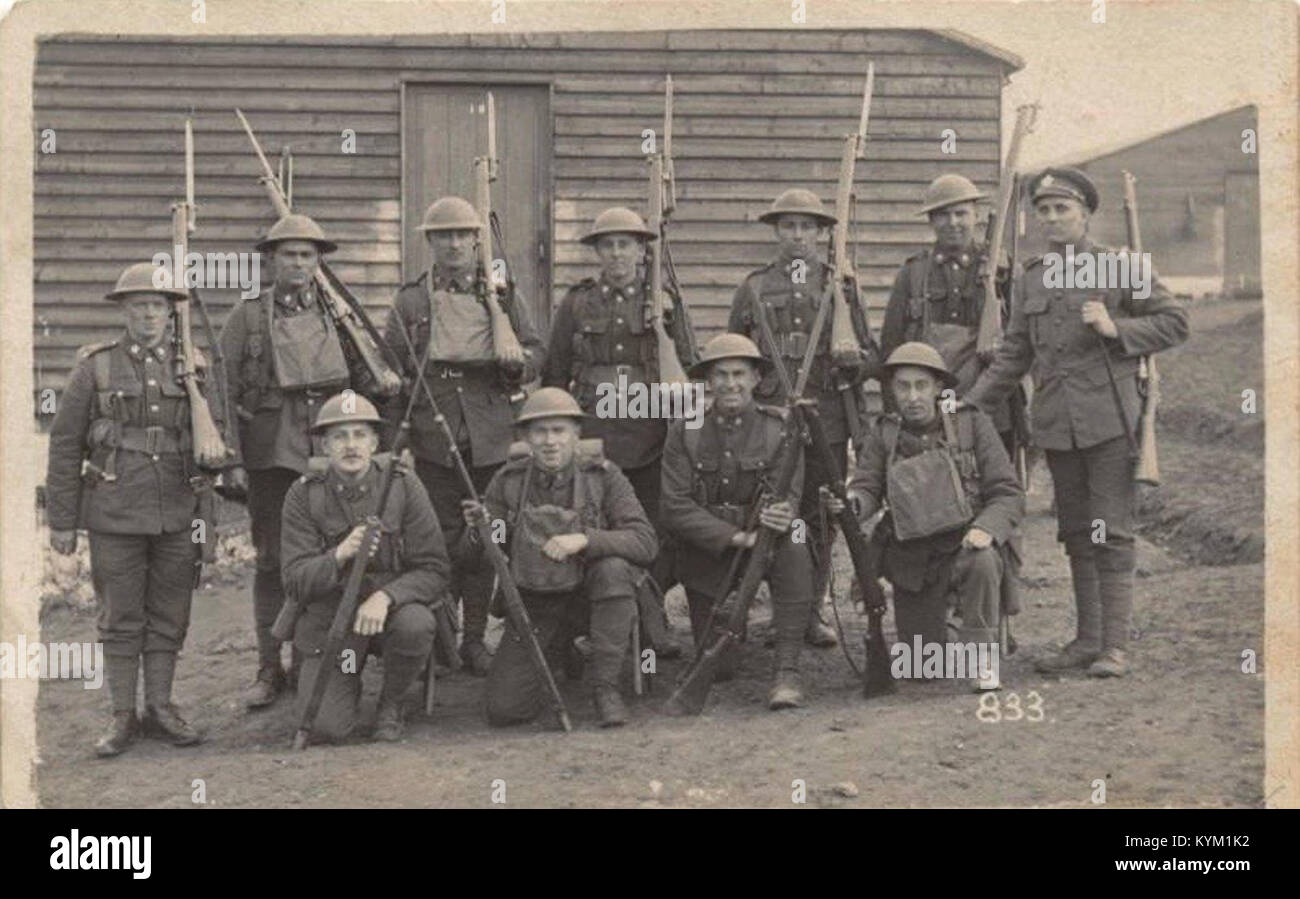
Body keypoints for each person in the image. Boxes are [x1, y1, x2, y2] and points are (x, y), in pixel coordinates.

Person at [966, 166, 1189, 677]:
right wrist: (973, 402)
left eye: (1061, 209)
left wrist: (1116, 328)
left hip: (1110, 422)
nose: (1051, 218)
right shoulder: (1034, 275)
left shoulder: (1119, 266)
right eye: (1043, 210)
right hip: (1056, 424)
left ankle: (1115, 647)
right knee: (1075, 532)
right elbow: (1015, 352)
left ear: (1085, 213)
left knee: (1109, 531)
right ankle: (1088, 640)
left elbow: (1176, 321)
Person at [46, 261, 224, 756]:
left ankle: (161, 708)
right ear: (123, 311)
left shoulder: (197, 367)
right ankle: (123, 714)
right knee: (120, 613)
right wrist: (62, 520)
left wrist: (210, 508)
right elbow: (64, 446)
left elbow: (217, 439)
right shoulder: (96, 366)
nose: (148, 314)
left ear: (171, 313)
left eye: (157, 305)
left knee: (171, 610)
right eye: (138, 305)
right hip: (114, 508)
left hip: (178, 508)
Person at [220, 213, 389, 709]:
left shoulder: (341, 316)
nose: (298, 263)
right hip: (273, 452)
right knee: (275, 562)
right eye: (288, 254)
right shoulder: (248, 317)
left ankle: (322, 657)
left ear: (319, 262)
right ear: (271, 260)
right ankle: (270, 669)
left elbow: (369, 379)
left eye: (307, 255)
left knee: (339, 555)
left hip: (336, 451)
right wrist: (230, 458)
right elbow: (224, 389)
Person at [384, 196, 545, 677]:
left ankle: (475, 639)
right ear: (429, 242)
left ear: (477, 241)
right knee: (436, 542)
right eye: (444, 235)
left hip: (490, 435)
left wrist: (517, 363)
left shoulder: (501, 294)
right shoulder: (411, 300)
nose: (454, 243)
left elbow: (538, 351)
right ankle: (440, 640)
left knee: (485, 541)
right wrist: (398, 445)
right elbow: (391, 374)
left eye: (463, 235)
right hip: (432, 439)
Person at [727, 188, 881, 648]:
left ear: (820, 234)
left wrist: (851, 357)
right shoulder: (753, 287)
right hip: (770, 417)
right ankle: (780, 612)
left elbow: (872, 356)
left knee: (819, 516)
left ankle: (810, 612)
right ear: (776, 231)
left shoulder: (842, 286)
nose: (797, 235)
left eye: (807, 226)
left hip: (826, 417)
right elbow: (734, 355)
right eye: (789, 226)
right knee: (772, 511)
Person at [541, 206, 697, 655]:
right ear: (597, 253)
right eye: (607, 245)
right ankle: (587, 619)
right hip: (594, 431)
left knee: (651, 526)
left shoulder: (664, 302)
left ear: (640, 249)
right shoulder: (576, 303)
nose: (616, 254)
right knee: (589, 521)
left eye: (625, 244)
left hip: (649, 433)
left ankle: (652, 619)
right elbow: (554, 374)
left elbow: (685, 367)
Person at [459, 388, 657, 728]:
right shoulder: (508, 482)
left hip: (590, 597)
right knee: (506, 710)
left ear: (576, 435)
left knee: (613, 569)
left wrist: (584, 539)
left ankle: (605, 688)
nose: (550, 441)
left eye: (559, 430)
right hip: (536, 600)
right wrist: (482, 529)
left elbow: (644, 542)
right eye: (540, 431)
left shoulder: (604, 476)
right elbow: (472, 557)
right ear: (526, 438)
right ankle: (562, 649)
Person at [836, 342, 1023, 691]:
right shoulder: (885, 434)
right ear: (892, 390)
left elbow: (1008, 493)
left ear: (939, 388)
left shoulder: (971, 423)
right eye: (903, 386)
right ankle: (949, 628)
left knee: (983, 561)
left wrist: (986, 529)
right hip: (913, 558)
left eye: (921, 385)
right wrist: (853, 504)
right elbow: (866, 487)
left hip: (965, 543)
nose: (912, 396)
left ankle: (981, 656)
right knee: (922, 669)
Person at [279, 392, 450, 743]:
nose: (351, 445)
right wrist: (338, 555)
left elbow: (434, 568)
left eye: (359, 435)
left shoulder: (404, 485)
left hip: (392, 615)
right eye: (339, 436)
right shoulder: (303, 495)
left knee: (415, 625)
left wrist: (388, 596)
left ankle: (392, 702)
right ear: (325, 446)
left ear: (374, 442)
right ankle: (347, 677)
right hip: (335, 621)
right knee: (327, 728)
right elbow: (294, 580)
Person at [660, 334, 813, 709]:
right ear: (708, 382)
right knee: (721, 667)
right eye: (721, 375)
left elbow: (789, 494)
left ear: (756, 379)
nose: (731, 383)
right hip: (710, 551)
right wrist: (734, 537)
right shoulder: (685, 430)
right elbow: (675, 506)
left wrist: (780, 515)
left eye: (740, 374)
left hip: (768, 542)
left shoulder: (780, 428)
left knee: (794, 538)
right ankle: (733, 625)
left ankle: (787, 670)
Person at [879, 174, 1021, 455]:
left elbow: (1021, 342)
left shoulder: (1002, 270)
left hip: (990, 401)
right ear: (931, 221)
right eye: (943, 215)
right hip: (928, 403)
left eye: (961, 213)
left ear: (976, 215)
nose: (953, 222)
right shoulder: (913, 273)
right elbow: (891, 348)